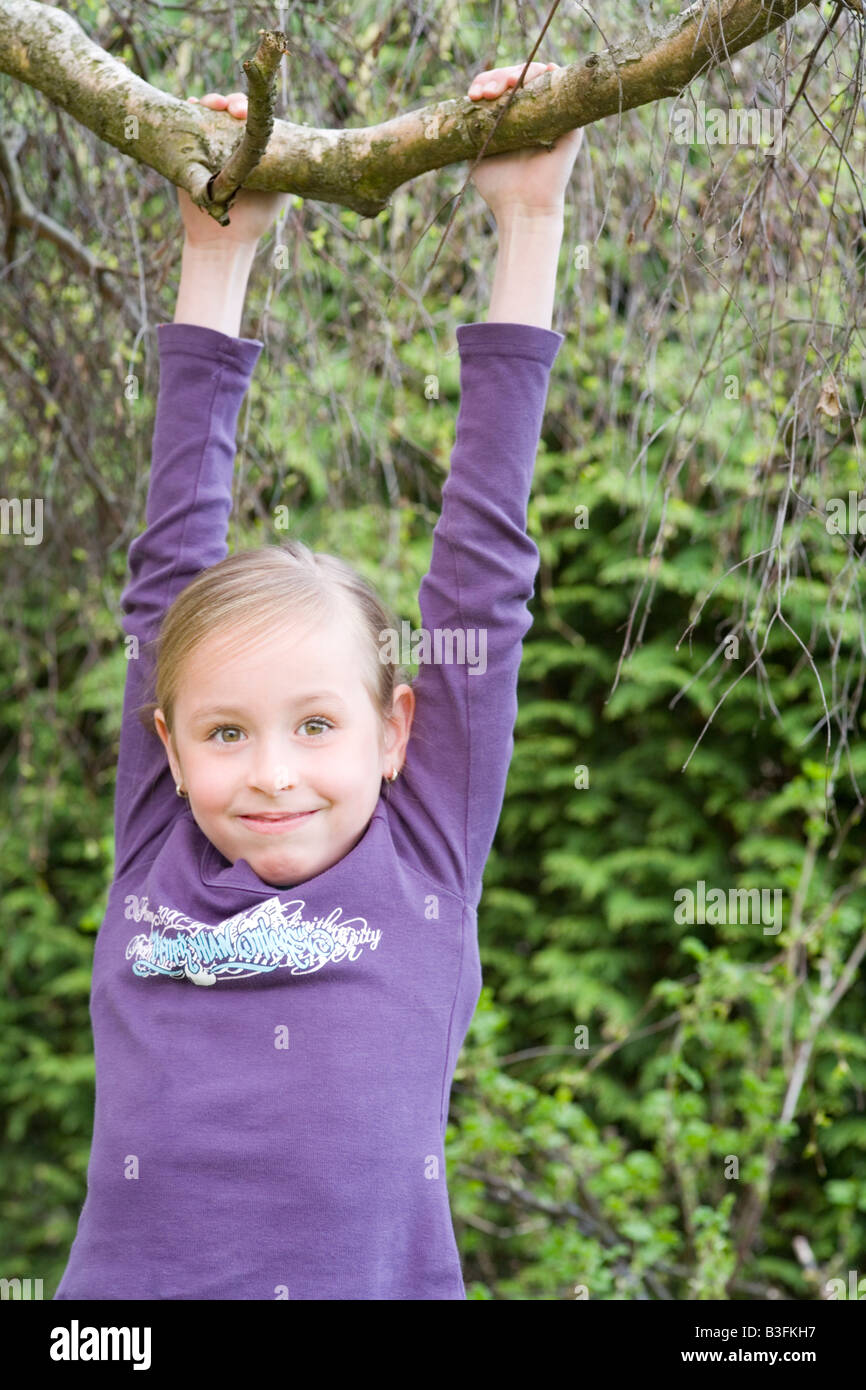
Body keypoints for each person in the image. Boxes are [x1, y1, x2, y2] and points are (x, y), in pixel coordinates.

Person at [54, 62, 583, 1300]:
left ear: (397, 730)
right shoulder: (158, 850)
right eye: (225, 732)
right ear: (169, 747)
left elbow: (482, 581)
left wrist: (528, 222)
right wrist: (217, 253)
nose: (272, 772)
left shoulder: (424, 853)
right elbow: (166, 570)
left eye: (314, 724)